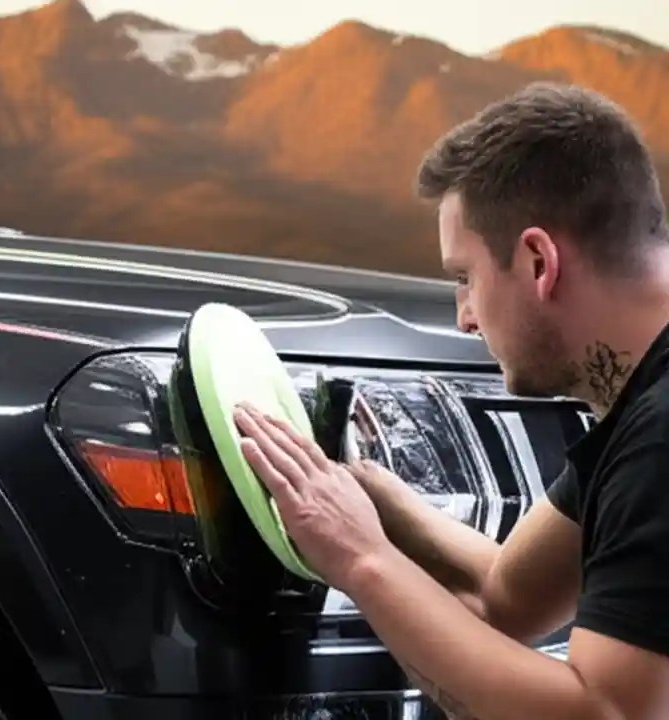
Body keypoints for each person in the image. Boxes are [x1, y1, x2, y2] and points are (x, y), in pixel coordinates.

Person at [232, 81, 669, 719]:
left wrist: (360, 557)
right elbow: (502, 598)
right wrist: (376, 504)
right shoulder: (636, 417)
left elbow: (607, 714)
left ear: (538, 261)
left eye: (465, 278)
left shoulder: (659, 438)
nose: (465, 317)